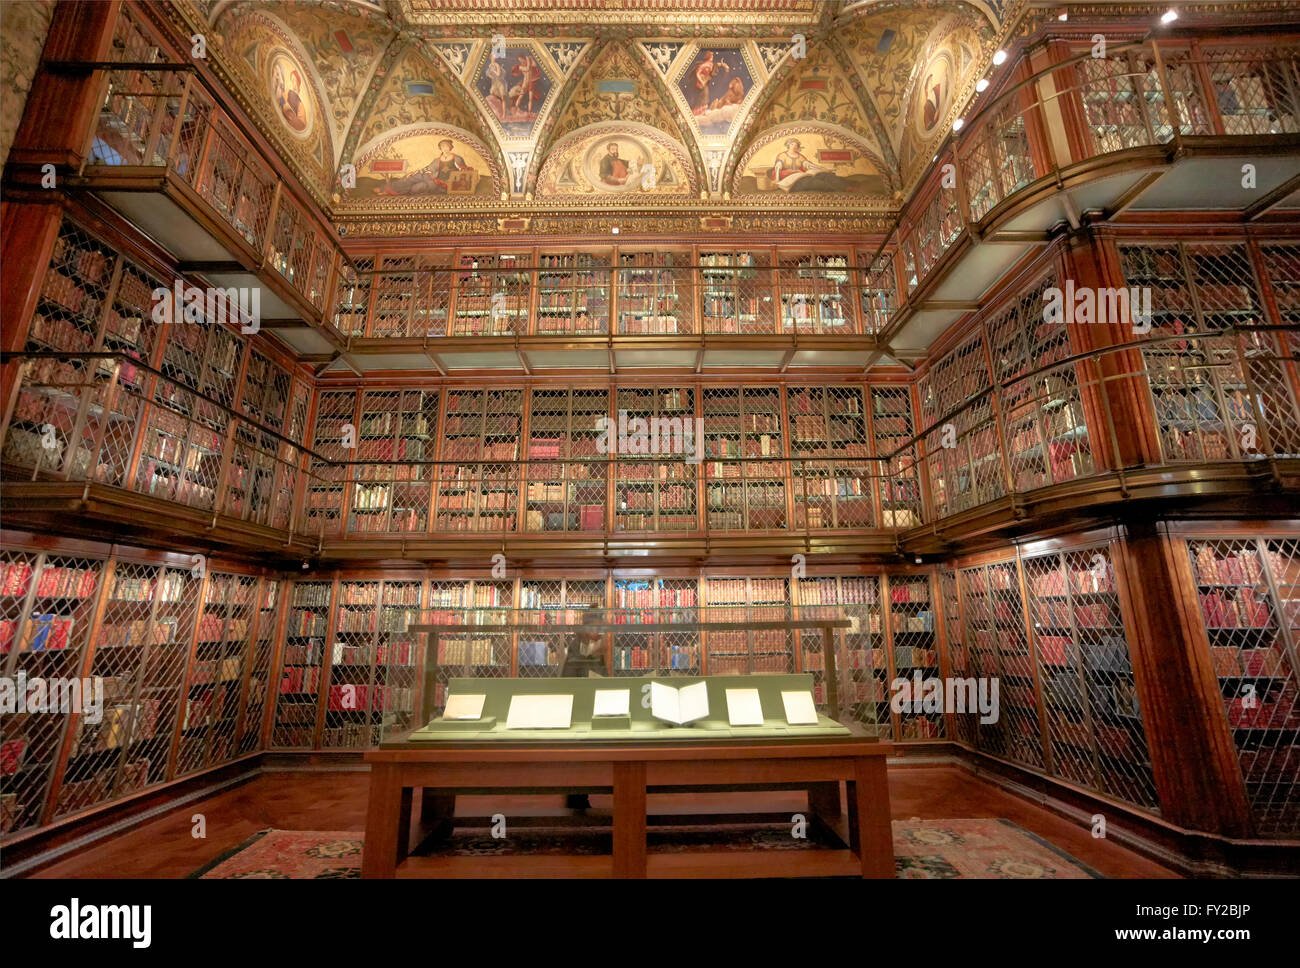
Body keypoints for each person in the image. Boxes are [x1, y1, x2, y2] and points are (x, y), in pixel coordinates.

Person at [561, 609, 608, 808]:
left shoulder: (595, 646)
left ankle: (580, 793)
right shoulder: (577, 646)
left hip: (590, 703)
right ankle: (576, 794)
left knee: (586, 753)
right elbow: (570, 675)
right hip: (579, 705)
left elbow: (600, 672)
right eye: (596, 627)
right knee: (577, 751)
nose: (599, 631)